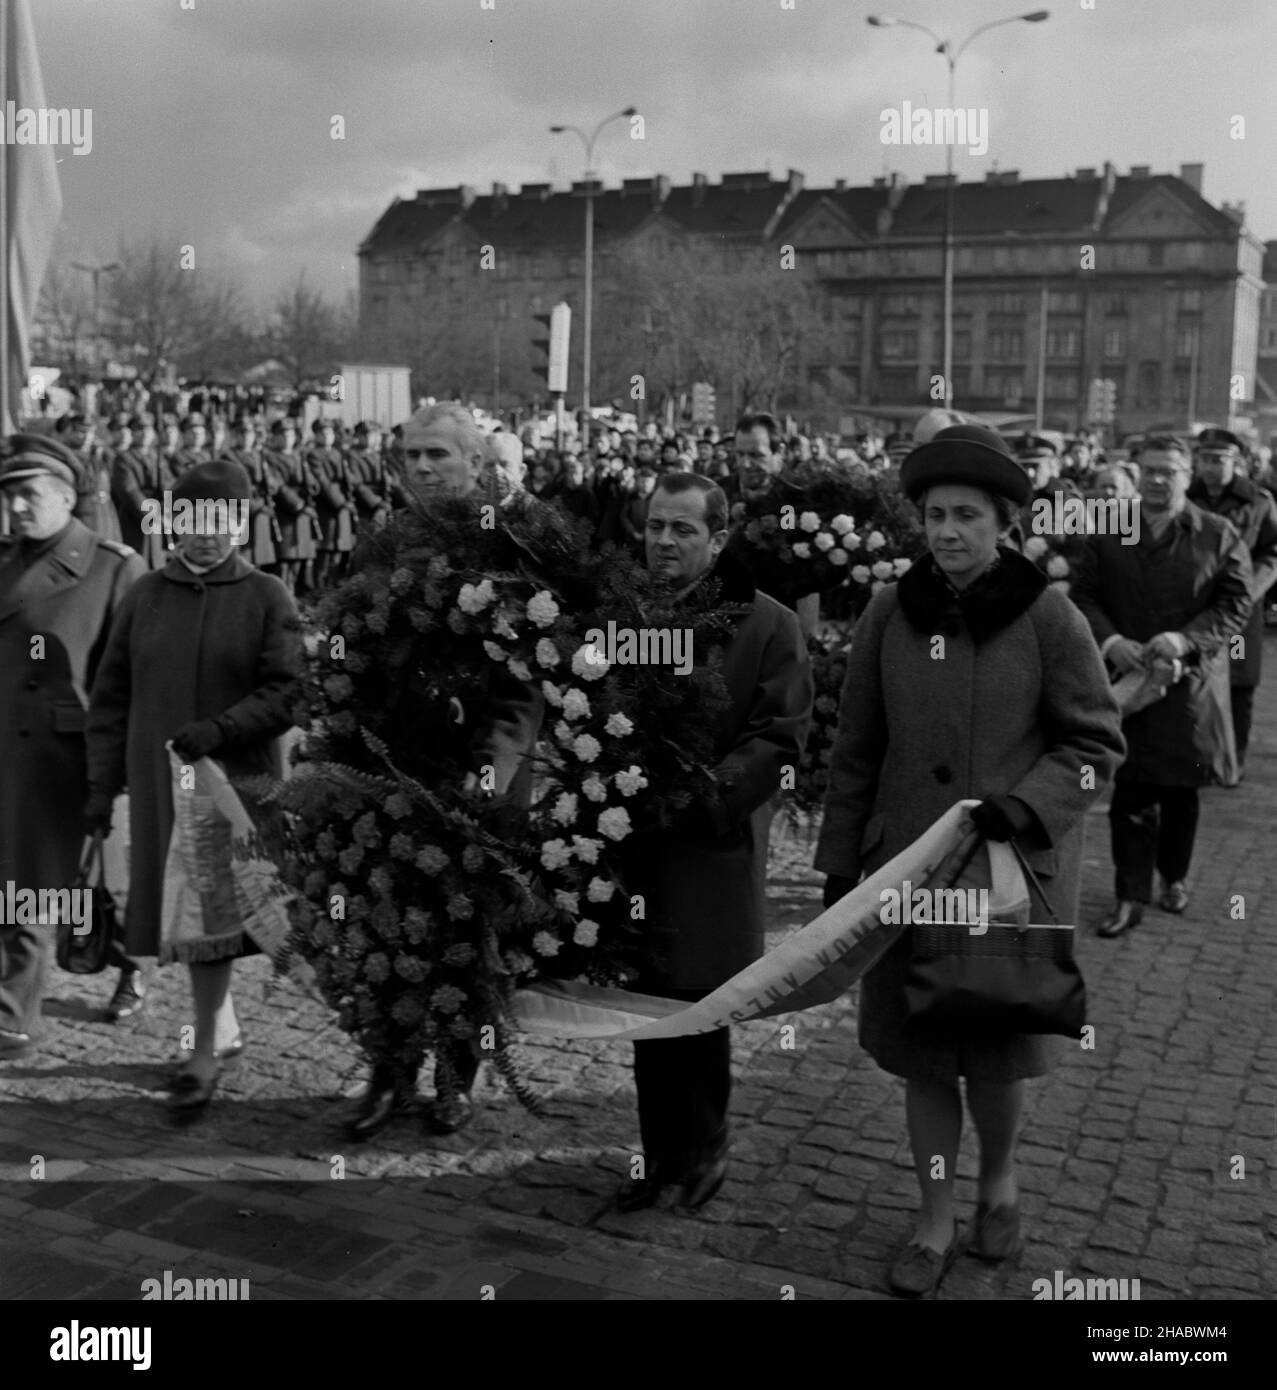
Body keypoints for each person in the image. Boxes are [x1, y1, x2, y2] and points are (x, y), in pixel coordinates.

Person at [816, 425, 1125, 1297]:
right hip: (908, 876)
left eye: (966, 516)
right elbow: (855, 749)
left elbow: (1097, 745)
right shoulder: (890, 610)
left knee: (991, 1050)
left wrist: (1023, 806)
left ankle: (998, 1183)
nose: (947, 532)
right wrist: (842, 864)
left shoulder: (1048, 615)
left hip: (1008, 878)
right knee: (922, 1053)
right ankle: (933, 1218)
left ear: (1004, 523)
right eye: (934, 515)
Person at [343, 402, 544, 1139]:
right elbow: (353, 650)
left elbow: (524, 684)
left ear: (475, 465)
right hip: (392, 770)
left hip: (479, 774)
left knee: (466, 934)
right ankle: (388, 1071)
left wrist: (489, 773)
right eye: (412, 456)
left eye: (439, 456)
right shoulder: (381, 544)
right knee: (384, 931)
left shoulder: (507, 551)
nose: (423, 468)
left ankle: (457, 1076)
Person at [615, 472, 812, 1213]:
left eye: (683, 530)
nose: (663, 541)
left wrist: (698, 798)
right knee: (645, 1008)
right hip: (634, 843)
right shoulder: (628, 616)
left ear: (718, 539)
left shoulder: (768, 625)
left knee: (700, 1006)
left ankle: (702, 1151)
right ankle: (658, 1153)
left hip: (710, 846)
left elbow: (778, 737)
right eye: (655, 527)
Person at [85, 460, 302, 1113]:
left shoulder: (267, 595)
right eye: (192, 520)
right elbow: (110, 695)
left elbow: (288, 691)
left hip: (231, 786)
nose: (206, 535)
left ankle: (203, 1051)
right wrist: (102, 785)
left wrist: (224, 727)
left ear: (242, 522)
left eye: (222, 520)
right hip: (158, 787)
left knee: (212, 916)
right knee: (177, 913)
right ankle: (219, 1026)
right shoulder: (144, 595)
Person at [0, 435, 148, 1057]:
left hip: (66, 755)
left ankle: (15, 1016)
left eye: (28, 495)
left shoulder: (113, 568)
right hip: (7, 745)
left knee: (42, 884)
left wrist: (119, 769)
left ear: (66, 495)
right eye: (8, 497)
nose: (16, 510)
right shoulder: (4, 562)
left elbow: (132, 681)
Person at [1072, 436, 1253, 933]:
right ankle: (1128, 895)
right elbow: (1083, 595)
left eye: (1168, 471)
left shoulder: (1216, 533)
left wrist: (1185, 638)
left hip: (1187, 688)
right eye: (1148, 470)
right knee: (1129, 791)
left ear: (1187, 473)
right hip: (1128, 686)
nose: (1157, 479)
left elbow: (1236, 602)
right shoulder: (1111, 528)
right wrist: (1111, 643)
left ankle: (1173, 875)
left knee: (1179, 793)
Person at [1186, 428, 1277, 779]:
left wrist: (1249, 590)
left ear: (1235, 462)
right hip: (1194, 609)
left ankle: (1232, 760)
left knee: (1238, 682)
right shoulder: (1187, 497)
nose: (1210, 467)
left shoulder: (1257, 502)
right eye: (1205, 460)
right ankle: (1198, 759)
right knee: (1194, 680)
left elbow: (1272, 553)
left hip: (1238, 616)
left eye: (1219, 460)